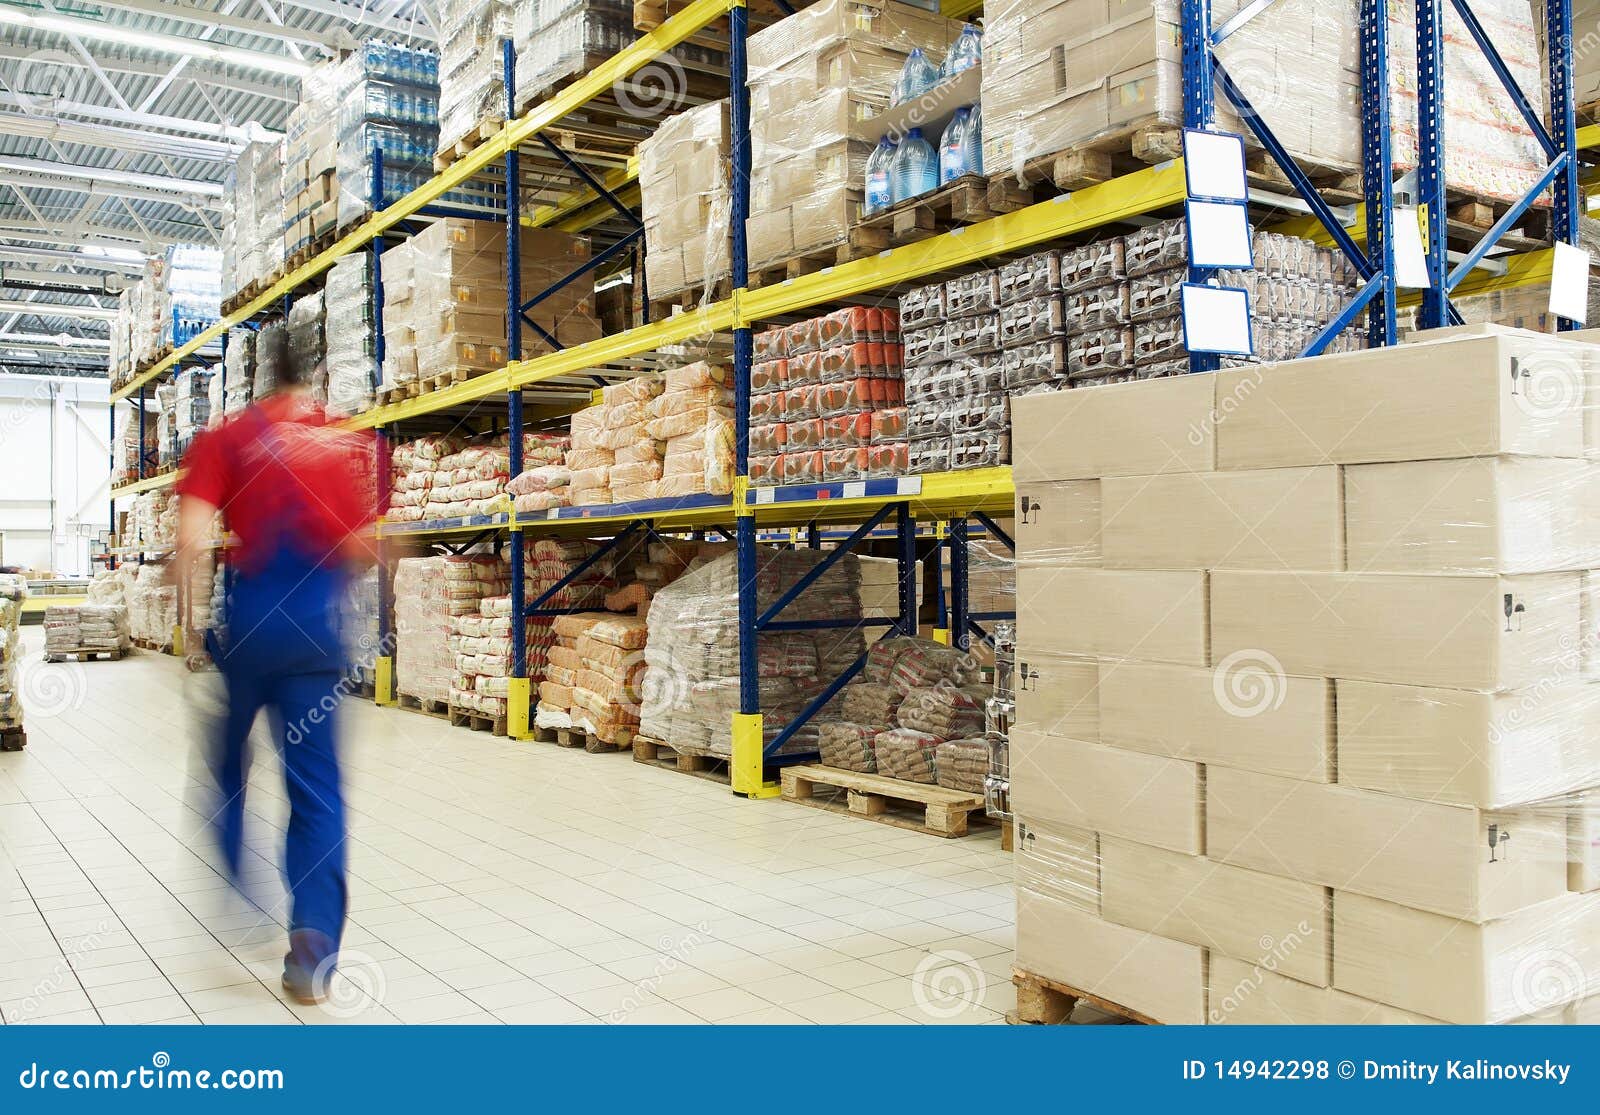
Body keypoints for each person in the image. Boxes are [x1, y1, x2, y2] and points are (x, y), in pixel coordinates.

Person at [174, 325, 378, 1004]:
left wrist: (188, 626)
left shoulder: (228, 439)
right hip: (319, 640)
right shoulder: (340, 441)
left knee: (227, 763)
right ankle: (313, 950)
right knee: (317, 792)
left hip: (253, 633)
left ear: (260, 374)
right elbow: (363, 545)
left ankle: (243, 890)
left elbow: (191, 539)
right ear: (315, 373)